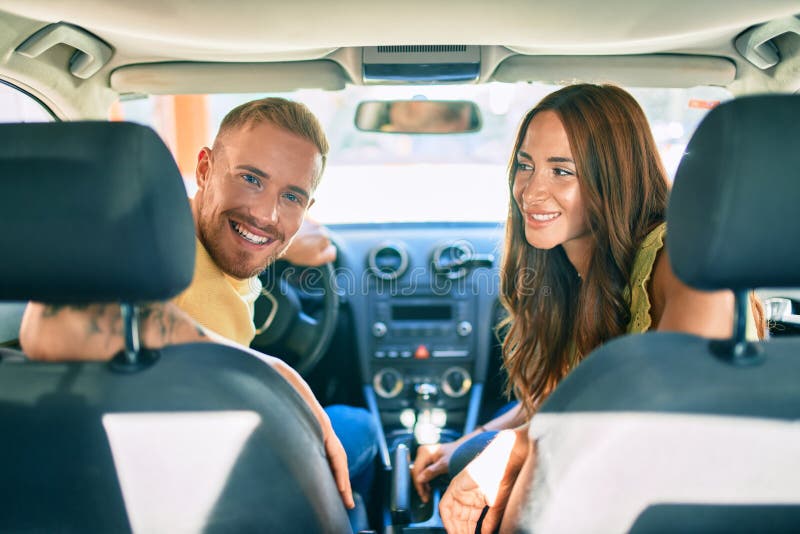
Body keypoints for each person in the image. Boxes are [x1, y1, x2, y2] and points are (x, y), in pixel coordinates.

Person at [408, 84, 765, 534]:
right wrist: (464, 442)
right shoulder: (568, 268)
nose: (531, 191)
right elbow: (553, 397)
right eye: (525, 165)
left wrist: (517, 447)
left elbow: (684, 424)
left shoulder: (679, 257)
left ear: (614, 177)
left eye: (562, 171)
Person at [19, 97, 378, 518]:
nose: (266, 213)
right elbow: (50, 326)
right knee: (364, 429)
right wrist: (262, 367)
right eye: (250, 178)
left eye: (292, 197)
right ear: (205, 169)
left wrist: (282, 238)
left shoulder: (220, 235)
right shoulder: (147, 246)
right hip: (174, 486)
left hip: (211, 443)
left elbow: (262, 222)